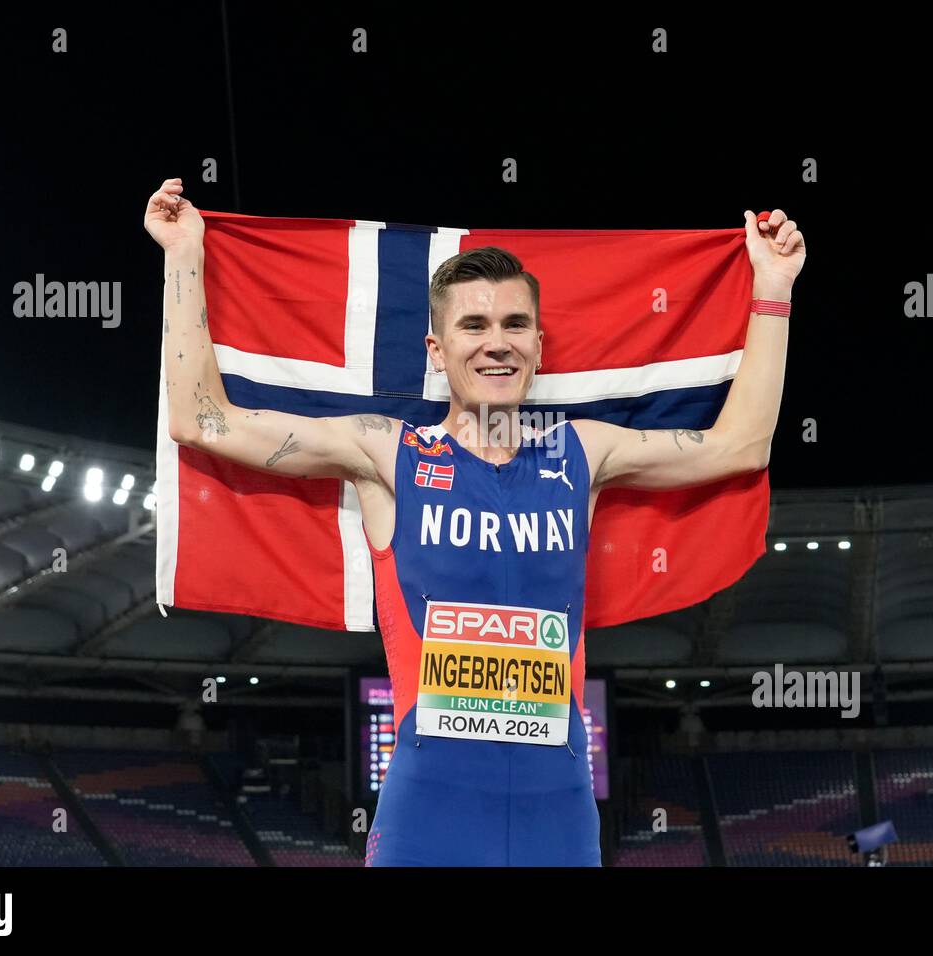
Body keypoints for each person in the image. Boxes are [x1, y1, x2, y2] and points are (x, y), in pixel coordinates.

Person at [143, 177, 805, 865]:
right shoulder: (386, 454)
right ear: (437, 349)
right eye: (474, 325)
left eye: (515, 325)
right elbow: (201, 420)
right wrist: (184, 256)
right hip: (428, 812)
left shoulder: (582, 452)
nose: (497, 344)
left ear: (540, 346)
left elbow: (742, 445)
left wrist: (774, 288)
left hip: (560, 815)